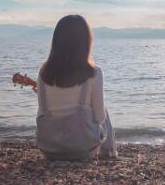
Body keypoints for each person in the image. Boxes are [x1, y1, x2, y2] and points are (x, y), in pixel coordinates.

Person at [36, 14, 117, 160]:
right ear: (86, 41)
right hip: (84, 148)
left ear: (56, 40)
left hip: (49, 148)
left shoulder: (44, 72)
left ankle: (109, 153)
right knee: (103, 110)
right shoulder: (94, 72)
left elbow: (41, 113)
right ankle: (110, 154)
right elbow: (99, 118)